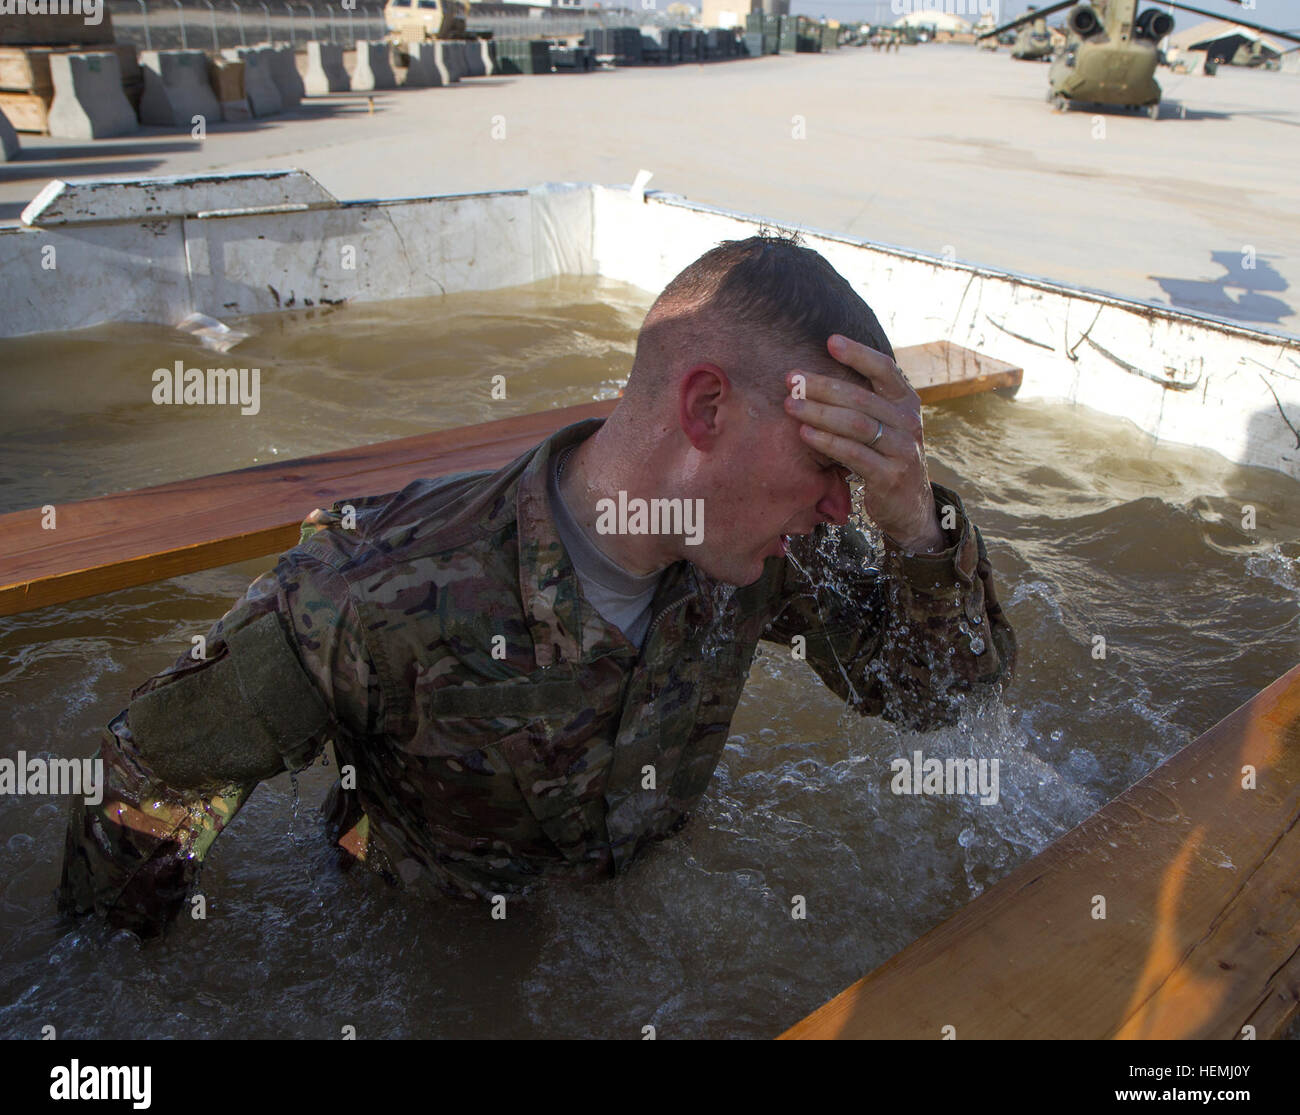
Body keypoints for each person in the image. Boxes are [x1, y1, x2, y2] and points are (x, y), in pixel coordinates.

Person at [58, 233, 1016, 938]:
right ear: (707, 406)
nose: (839, 510)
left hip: (632, 920)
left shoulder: (760, 552)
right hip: (432, 943)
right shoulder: (371, 591)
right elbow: (139, 789)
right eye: (830, 465)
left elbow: (940, 699)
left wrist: (917, 521)